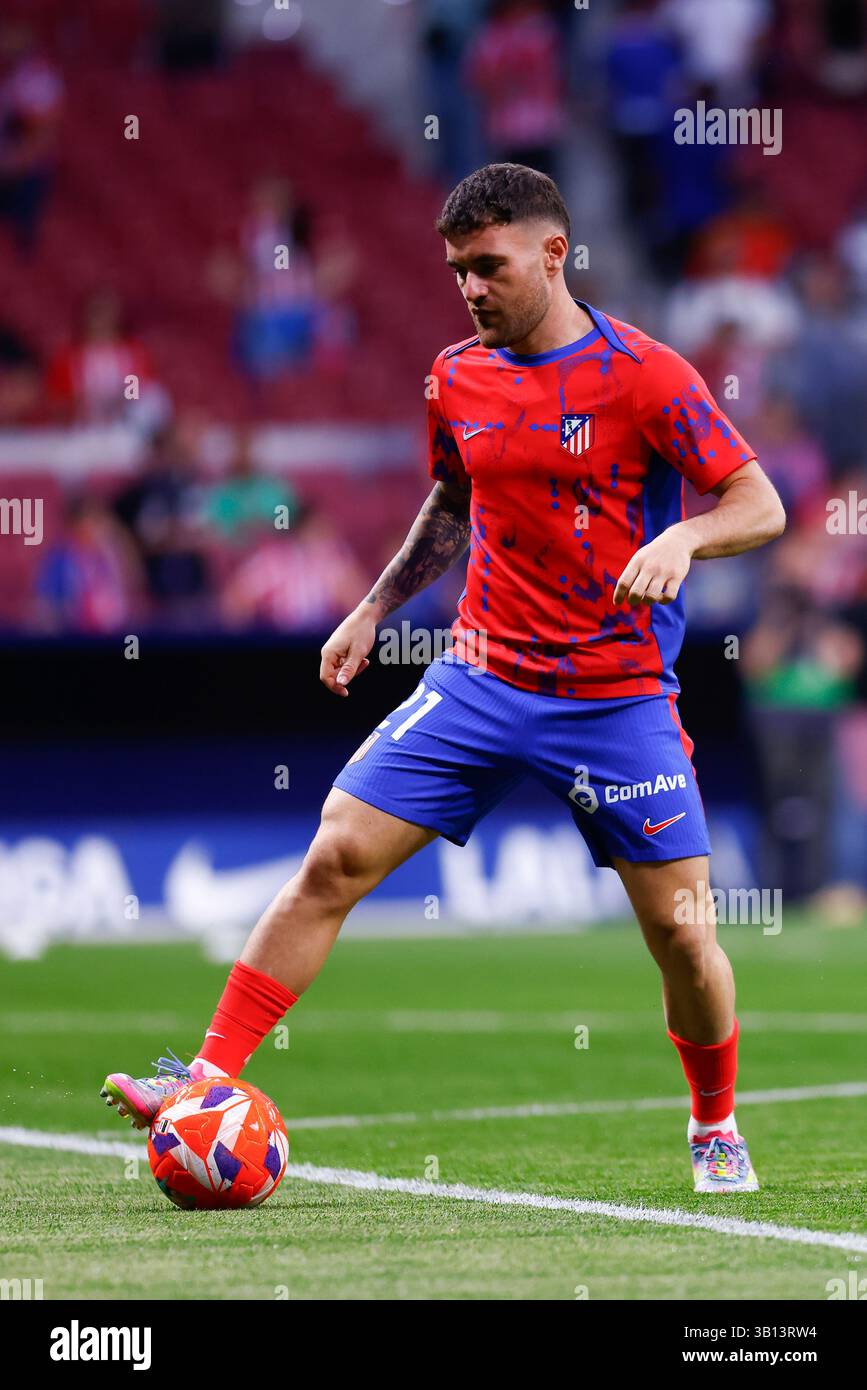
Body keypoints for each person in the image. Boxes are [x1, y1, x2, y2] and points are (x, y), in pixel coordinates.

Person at [100, 164, 786, 1195]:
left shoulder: (649, 376)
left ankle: (714, 1123)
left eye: (489, 266)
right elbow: (453, 506)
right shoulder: (456, 377)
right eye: (458, 270)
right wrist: (375, 607)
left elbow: (760, 502)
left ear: (554, 255)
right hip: (480, 676)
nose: (470, 287)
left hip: (616, 695)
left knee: (686, 939)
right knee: (332, 857)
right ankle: (204, 1079)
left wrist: (686, 536)